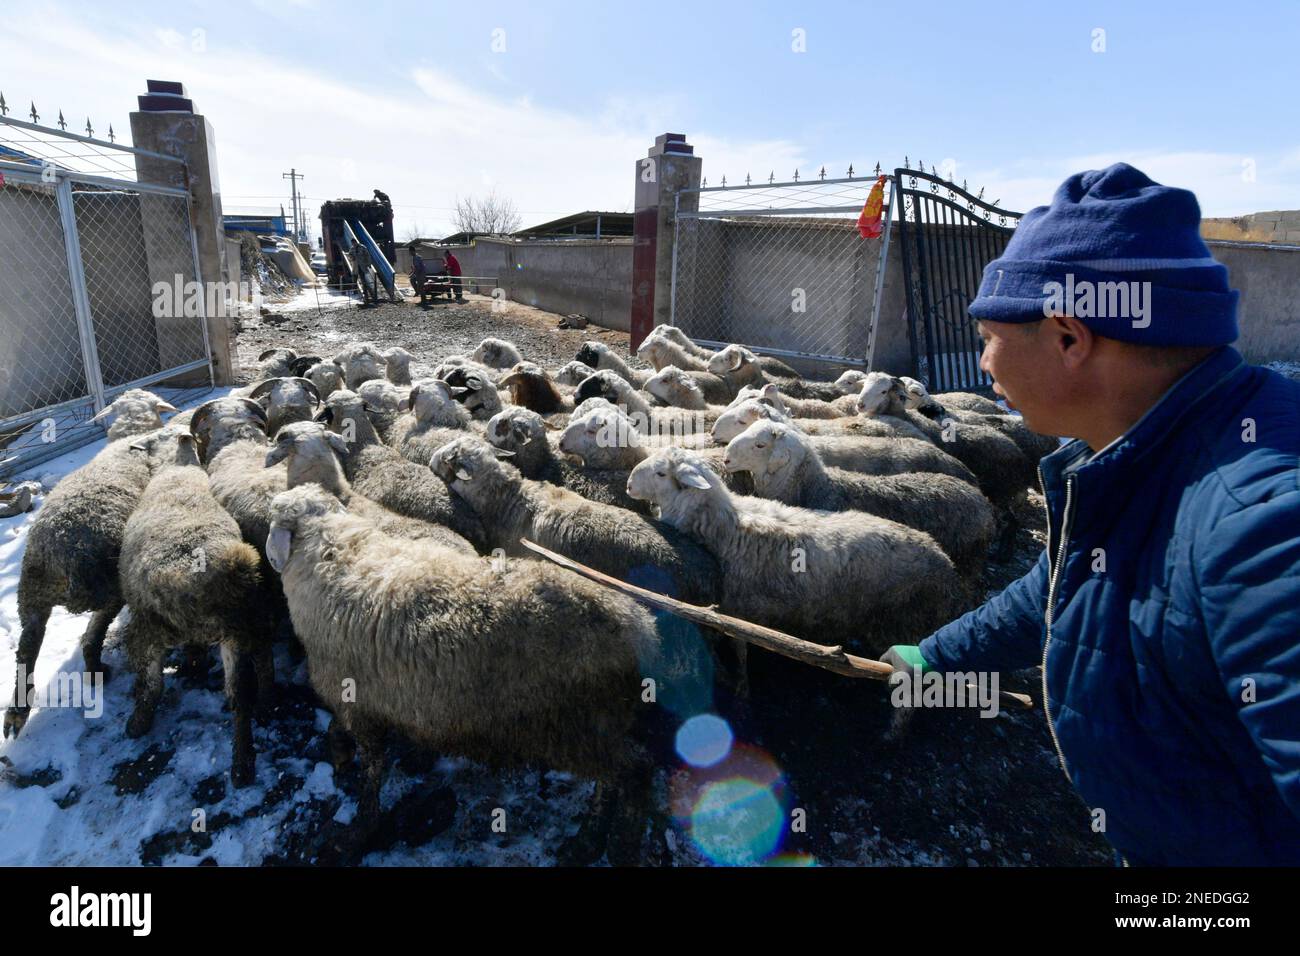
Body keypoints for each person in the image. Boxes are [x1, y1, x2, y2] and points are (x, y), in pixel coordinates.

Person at [880, 163, 1300, 866]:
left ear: (1070, 338)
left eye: (988, 337)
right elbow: (1067, 579)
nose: (983, 363)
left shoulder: (1260, 531)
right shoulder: (1146, 450)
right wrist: (938, 656)